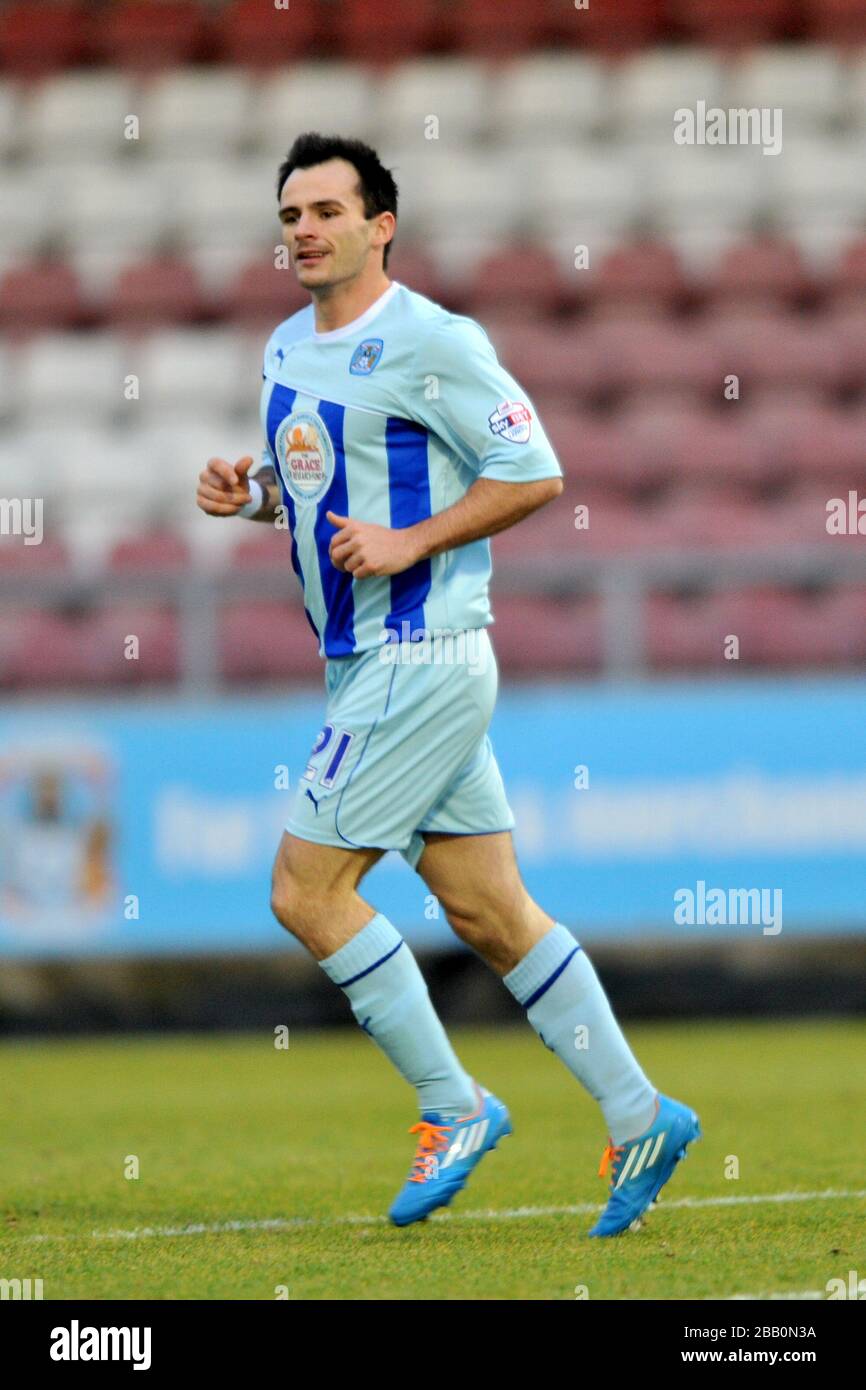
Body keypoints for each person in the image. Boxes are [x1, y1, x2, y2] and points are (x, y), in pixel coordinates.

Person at [196, 132, 700, 1236]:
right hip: (367, 666)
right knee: (487, 909)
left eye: (326, 211)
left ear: (381, 223)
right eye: (290, 216)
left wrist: (411, 539)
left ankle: (452, 1102)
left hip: (417, 660)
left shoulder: (436, 341)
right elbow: (327, 479)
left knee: (305, 892)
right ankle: (638, 1112)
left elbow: (533, 470)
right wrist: (256, 496)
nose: (304, 232)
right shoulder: (286, 347)